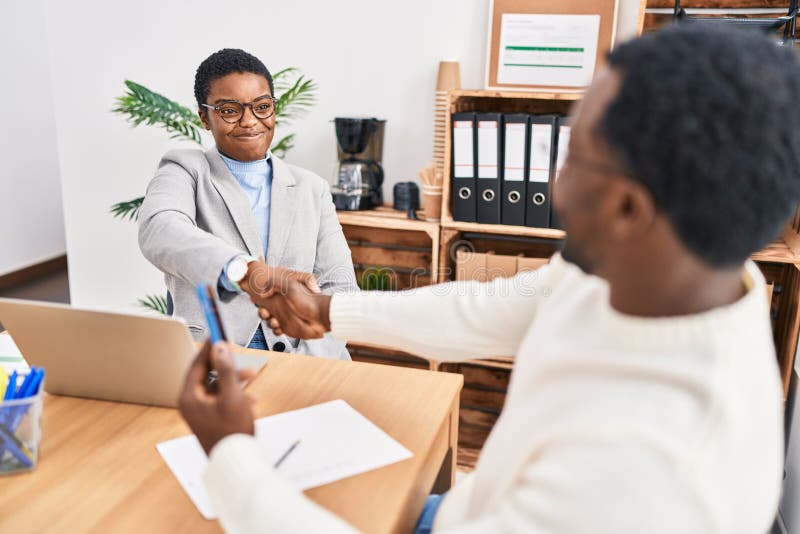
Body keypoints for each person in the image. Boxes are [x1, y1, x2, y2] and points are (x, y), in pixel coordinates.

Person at [179, 26, 800, 533]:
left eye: (572, 157)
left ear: (628, 209)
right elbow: (495, 306)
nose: (552, 184)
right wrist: (328, 312)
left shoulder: (647, 473)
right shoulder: (677, 268)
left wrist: (230, 453)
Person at [138, 48, 356, 357]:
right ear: (204, 117)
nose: (250, 121)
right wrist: (249, 273)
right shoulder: (185, 170)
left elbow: (340, 286)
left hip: (309, 359)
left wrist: (306, 361)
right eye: (229, 110)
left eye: (262, 107)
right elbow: (159, 230)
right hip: (215, 360)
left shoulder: (312, 188)